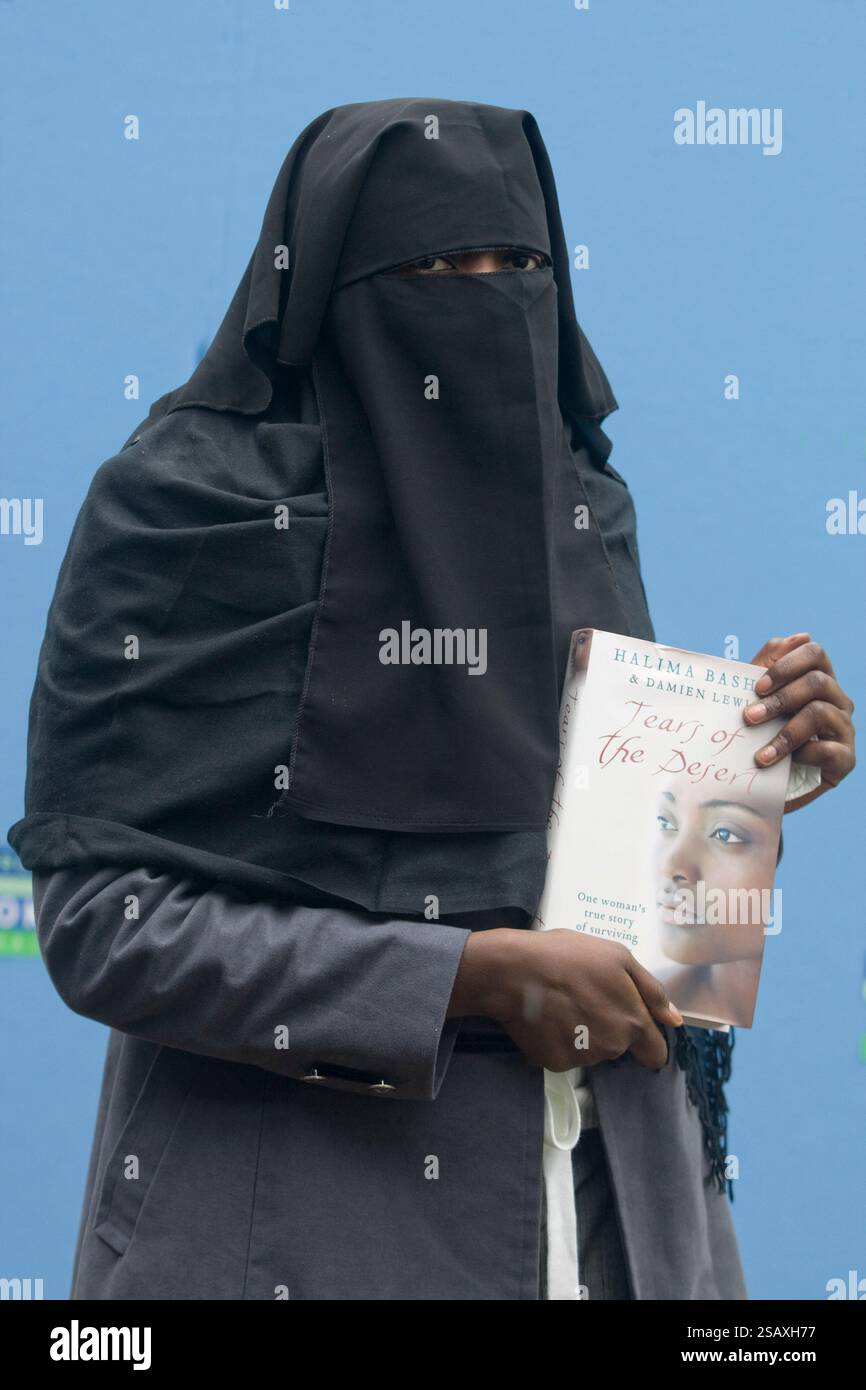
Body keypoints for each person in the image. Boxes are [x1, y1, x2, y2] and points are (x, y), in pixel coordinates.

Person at [13, 100, 856, 1301]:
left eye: (516, 266)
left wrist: (747, 787)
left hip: (624, 1217)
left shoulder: (574, 507)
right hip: (301, 1232)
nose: (483, 297)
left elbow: (612, 896)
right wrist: (464, 977)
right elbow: (107, 923)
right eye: (435, 265)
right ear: (327, 289)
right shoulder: (180, 517)